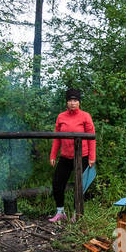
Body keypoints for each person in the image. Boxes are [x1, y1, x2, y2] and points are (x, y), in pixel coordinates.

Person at [48, 92, 96, 221]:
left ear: (79, 102)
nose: (73, 103)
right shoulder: (61, 117)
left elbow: (92, 138)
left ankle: (77, 213)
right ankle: (60, 212)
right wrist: (53, 154)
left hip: (82, 156)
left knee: (79, 185)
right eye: (70, 100)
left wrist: (92, 157)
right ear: (66, 102)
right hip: (65, 156)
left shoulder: (85, 116)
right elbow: (56, 138)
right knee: (57, 183)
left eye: (75, 100)